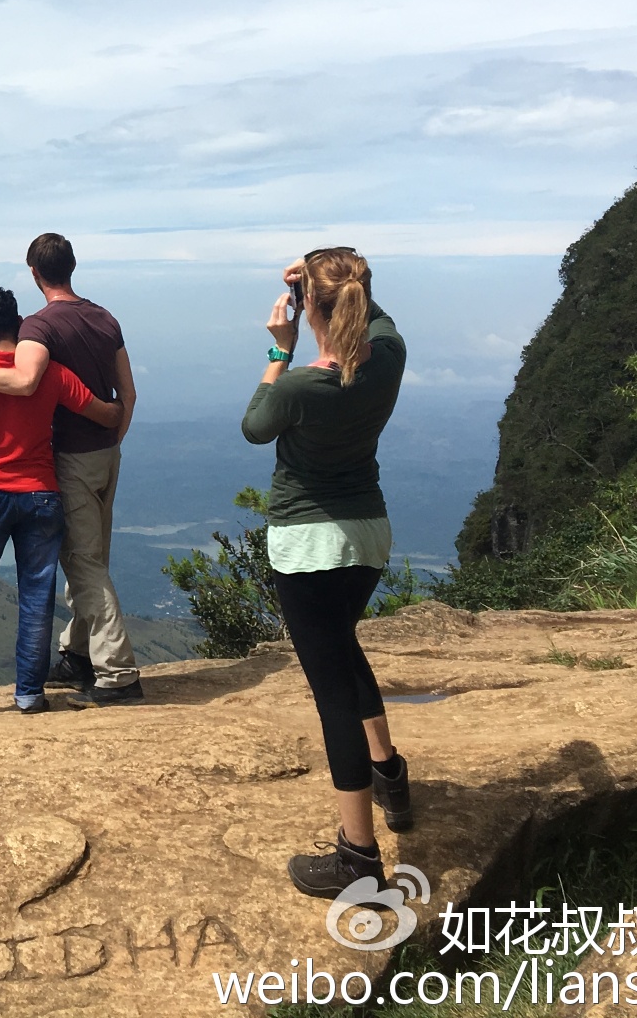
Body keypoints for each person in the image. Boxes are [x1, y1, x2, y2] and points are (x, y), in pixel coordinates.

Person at [239, 246, 414, 897]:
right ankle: (389, 773)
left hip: (307, 548)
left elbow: (255, 425)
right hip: (367, 536)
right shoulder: (386, 359)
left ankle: (358, 855)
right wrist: (338, 285)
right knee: (344, 650)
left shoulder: (301, 385)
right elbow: (381, 319)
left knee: (332, 693)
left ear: (307, 307)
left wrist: (281, 346)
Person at [0, 233, 142, 703]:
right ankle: (68, 662)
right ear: (72, 266)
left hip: (56, 466)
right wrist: (115, 436)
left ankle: (117, 674)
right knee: (81, 563)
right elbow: (124, 397)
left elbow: (25, 380)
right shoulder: (105, 318)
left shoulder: (40, 328)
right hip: (102, 456)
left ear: (34, 273)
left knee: (82, 565)